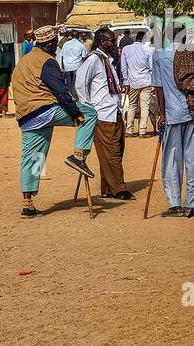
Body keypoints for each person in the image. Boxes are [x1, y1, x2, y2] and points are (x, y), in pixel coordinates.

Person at [13, 25, 98, 216]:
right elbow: (61, 91)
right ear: (51, 44)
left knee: (33, 156)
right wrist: (75, 112)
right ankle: (78, 155)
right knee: (90, 114)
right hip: (45, 110)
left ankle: (27, 203)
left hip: (27, 117)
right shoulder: (47, 61)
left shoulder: (23, 61)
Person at [153, 42, 194, 215]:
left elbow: (158, 86)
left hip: (172, 113)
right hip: (193, 110)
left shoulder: (159, 55)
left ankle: (174, 204)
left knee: (172, 158)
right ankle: (192, 203)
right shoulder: (192, 53)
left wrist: (162, 113)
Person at [73, 27, 132, 200]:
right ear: (101, 42)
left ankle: (107, 187)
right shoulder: (93, 60)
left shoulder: (108, 60)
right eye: (109, 40)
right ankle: (119, 188)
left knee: (116, 151)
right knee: (112, 153)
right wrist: (89, 108)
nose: (113, 43)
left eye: (113, 40)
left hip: (115, 111)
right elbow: (80, 84)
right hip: (102, 113)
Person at [121, 30, 156, 137]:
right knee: (145, 107)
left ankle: (129, 130)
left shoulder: (126, 49)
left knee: (132, 106)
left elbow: (123, 67)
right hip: (146, 81)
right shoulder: (147, 50)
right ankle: (142, 131)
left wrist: (126, 80)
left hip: (132, 82)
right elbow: (151, 67)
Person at [59, 30, 86, 95]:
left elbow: (61, 56)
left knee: (68, 84)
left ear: (71, 36)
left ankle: (70, 96)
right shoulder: (81, 45)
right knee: (76, 84)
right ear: (78, 36)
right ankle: (75, 97)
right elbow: (84, 57)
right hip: (77, 67)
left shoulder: (66, 44)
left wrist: (62, 67)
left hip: (67, 67)